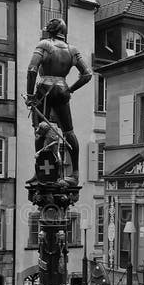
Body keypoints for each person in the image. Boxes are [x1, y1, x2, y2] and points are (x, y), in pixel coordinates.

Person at [26, 17, 92, 183]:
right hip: (62, 89)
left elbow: (32, 69)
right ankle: (75, 173)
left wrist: (30, 95)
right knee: (68, 131)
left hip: (44, 90)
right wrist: (70, 89)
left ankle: (40, 171)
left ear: (51, 30)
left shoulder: (45, 45)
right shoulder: (72, 49)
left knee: (40, 130)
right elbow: (87, 74)